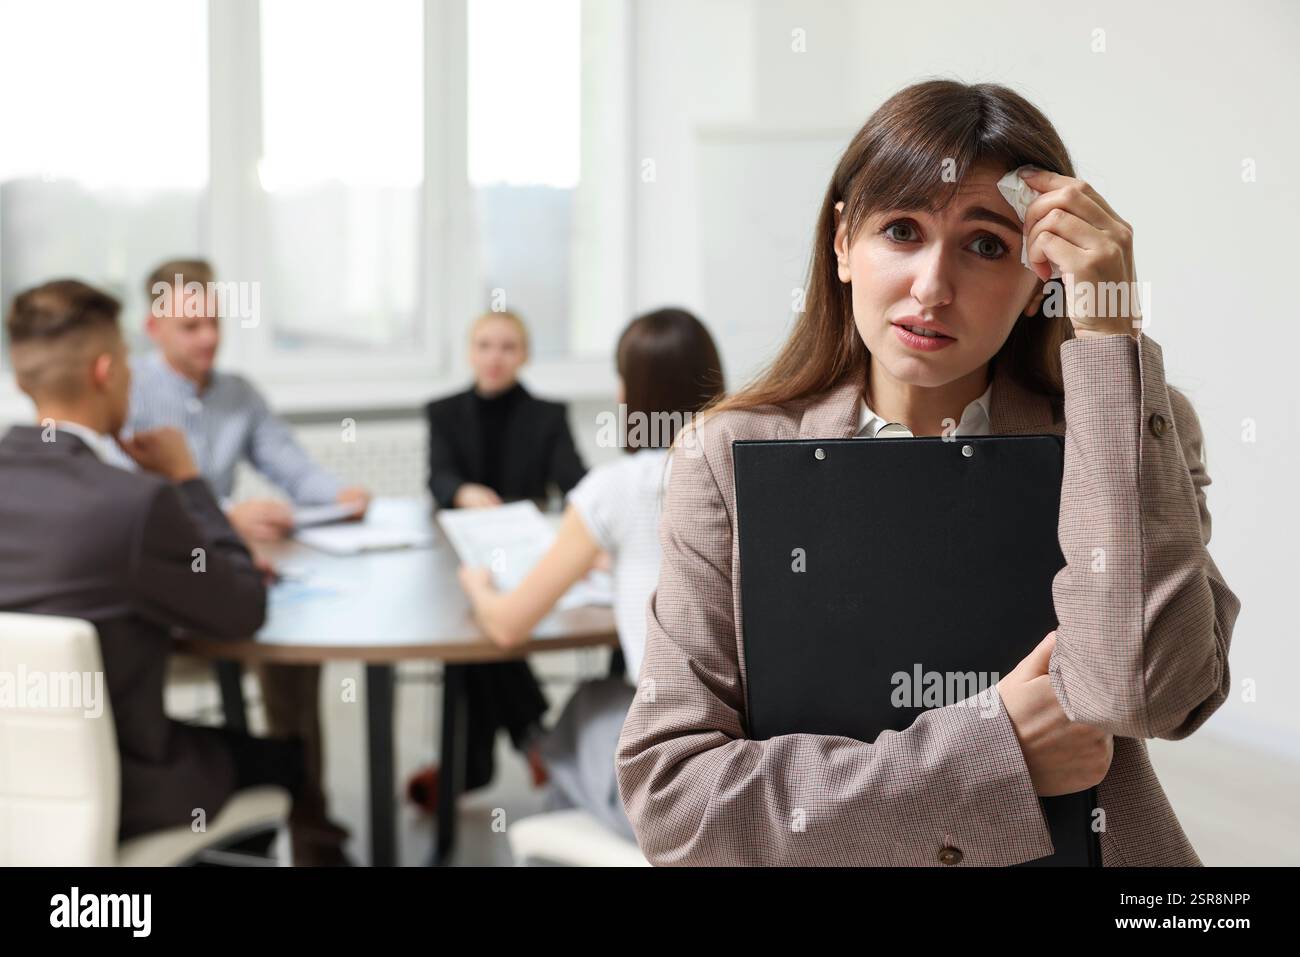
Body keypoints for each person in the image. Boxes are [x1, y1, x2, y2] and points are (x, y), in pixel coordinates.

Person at [615, 79, 1242, 866]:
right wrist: (992, 750)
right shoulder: (724, 456)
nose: (932, 287)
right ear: (843, 242)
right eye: (901, 230)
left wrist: (1110, 336)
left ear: (1037, 277)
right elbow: (675, 802)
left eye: (985, 245)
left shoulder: (1127, 422)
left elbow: (1151, 693)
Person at [0, 279, 304, 846]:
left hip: (10, 788)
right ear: (105, 372)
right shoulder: (133, 504)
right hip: (119, 784)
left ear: (22, 380)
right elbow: (242, 610)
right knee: (281, 759)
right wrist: (188, 481)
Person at [125, 258, 367, 864]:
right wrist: (227, 515)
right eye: (190, 326)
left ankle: (310, 825)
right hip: (168, 589)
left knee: (295, 658)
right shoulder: (126, 396)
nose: (208, 337)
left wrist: (336, 494)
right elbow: (126, 502)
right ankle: (235, 808)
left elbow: (288, 461)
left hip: (231, 578)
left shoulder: (238, 395)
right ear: (154, 327)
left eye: (213, 322)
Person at [457, 308, 724, 839]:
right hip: (755, 750)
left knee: (581, 715)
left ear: (634, 392)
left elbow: (508, 626)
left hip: (676, 777)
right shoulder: (750, 465)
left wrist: (477, 586)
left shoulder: (620, 487)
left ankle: (555, 835)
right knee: (595, 701)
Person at [408, 310, 589, 810]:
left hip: (524, 561)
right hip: (459, 558)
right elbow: (438, 478)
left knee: (478, 632)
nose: (495, 357)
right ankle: (531, 739)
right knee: (478, 624)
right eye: (485, 345)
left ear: (524, 355)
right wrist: (462, 491)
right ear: (470, 352)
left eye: (508, 347)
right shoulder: (442, 410)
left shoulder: (548, 414)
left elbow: (575, 482)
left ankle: (467, 766)